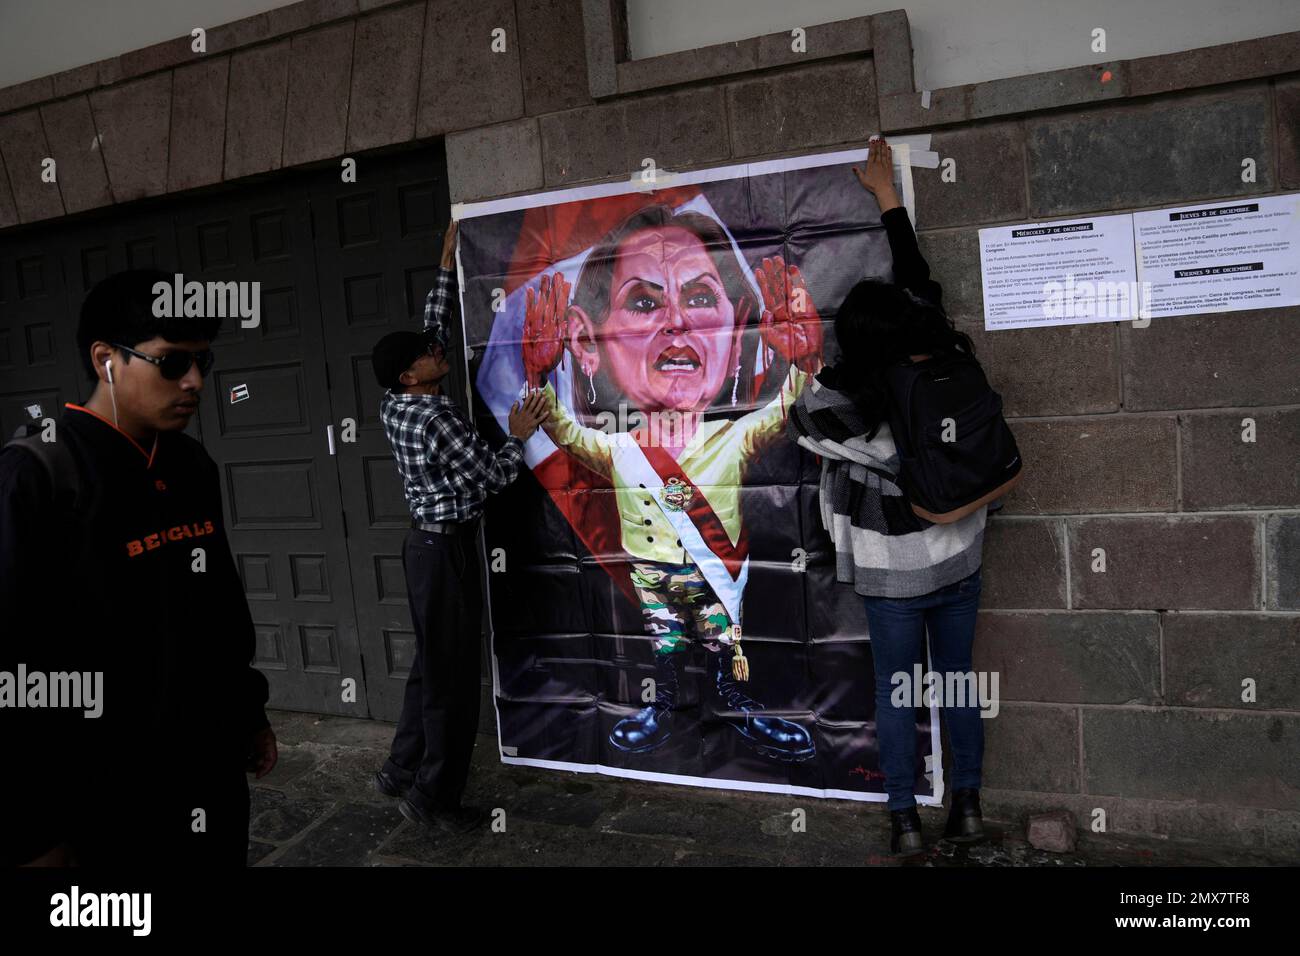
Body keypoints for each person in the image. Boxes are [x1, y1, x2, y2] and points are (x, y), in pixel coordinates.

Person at [521, 205, 823, 761]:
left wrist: (806, 363)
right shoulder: (616, 448)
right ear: (588, 345)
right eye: (643, 302)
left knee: (720, 648)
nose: (676, 324)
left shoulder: (736, 437)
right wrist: (537, 377)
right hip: (652, 577)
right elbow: (560, 429)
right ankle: (661, 708)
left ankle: (736, 705)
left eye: (701, 298)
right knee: (665, 650)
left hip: (715, 577)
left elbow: (788, 408)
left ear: (736, 337)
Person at [0, 269, 277, 867]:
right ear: (106, 360)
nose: (195, 381)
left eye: (204, 362)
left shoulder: (190, 463)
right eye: (172, 362)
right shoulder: (40, 473)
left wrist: (248, 712)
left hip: (205, 771)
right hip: (105, 794)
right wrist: (33, 831)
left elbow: (219, 607)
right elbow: (15, 660)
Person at [788, 138, 988, 855]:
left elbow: (798, 420)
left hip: (892, 578)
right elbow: (919, 283)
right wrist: (888, 198)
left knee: (898, 695)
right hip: (960, 554)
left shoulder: (846, 405)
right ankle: (966, 806)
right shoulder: (949, 361)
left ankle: (904, 822)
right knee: (959, 684)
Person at [371, 222, 549, 834]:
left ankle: (400, 767)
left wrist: (444, 270)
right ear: (412, 376)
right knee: (451, 685)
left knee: (430, 663)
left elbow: (434, 330)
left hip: (422, 549)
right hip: (446, 556)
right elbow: (492, 476)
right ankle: (432, 796)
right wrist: (520, 437)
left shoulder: (396, 402)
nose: (436, 351)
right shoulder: (436, 417)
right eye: (426, 355)